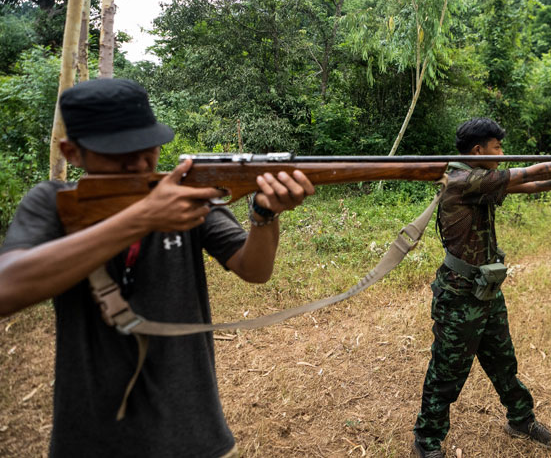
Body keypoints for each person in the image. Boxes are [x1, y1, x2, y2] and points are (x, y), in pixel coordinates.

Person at [0, 78, 315, 458]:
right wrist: (144, 217)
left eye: (144, 146)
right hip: (90, 438)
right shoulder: (51, 203)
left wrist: (264, 215)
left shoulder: (185, 196)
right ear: (72, 153)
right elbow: (7, 288)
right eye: (116, 152)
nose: (136, 161)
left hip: (194, 433)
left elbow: (254, 269)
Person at [412, 117, 551, 457]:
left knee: (503, 363)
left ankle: (521, 420)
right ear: (478, 150)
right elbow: (528, 174)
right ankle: (426, 442)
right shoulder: (462, 180)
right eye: (498, 148)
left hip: (486, 290)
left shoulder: (482, 179)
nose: (503, 153)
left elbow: (531, 185)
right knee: (447, 374)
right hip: (460, 295)